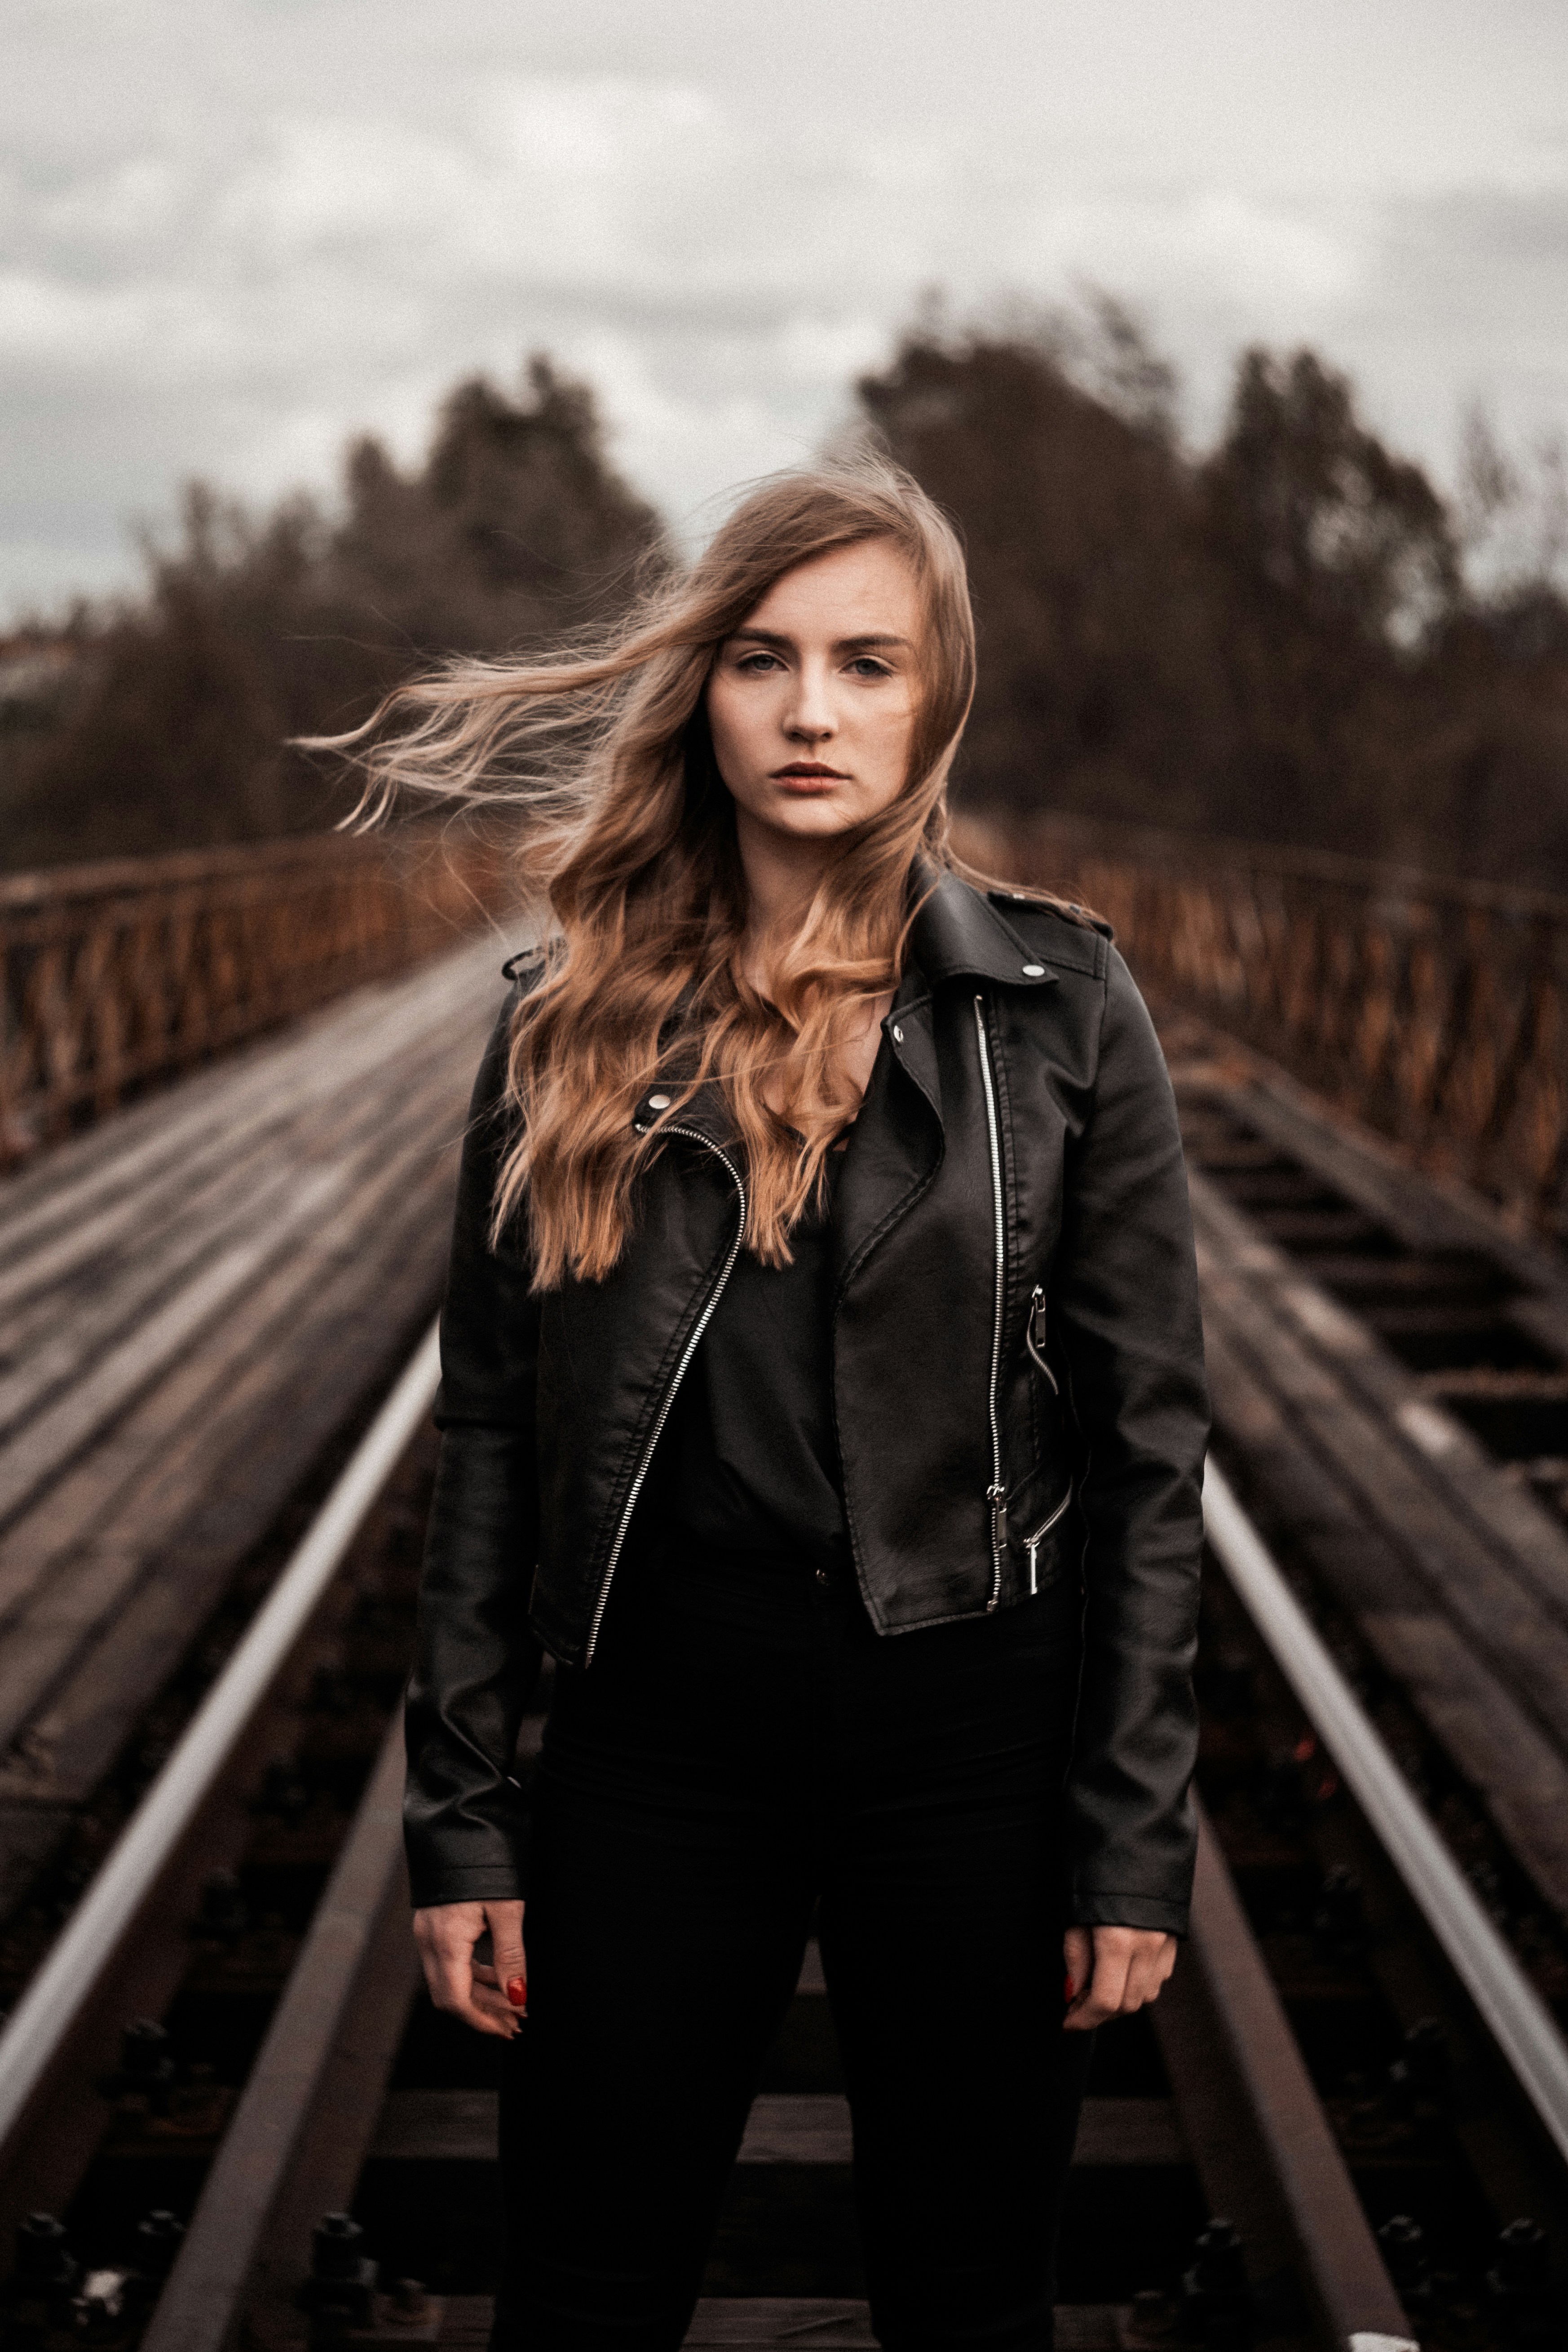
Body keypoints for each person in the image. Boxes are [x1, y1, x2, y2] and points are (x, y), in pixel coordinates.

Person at [339, 463, 1209, 2352]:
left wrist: (1132, 1829)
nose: (813, 711)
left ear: (934, 700)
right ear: (704, 691)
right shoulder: (568, 1018)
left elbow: (1153, 1447)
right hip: (663, 1721)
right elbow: (488, 1429)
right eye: (764, 659)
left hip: (973, 1723)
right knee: (584, 2283)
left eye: (867, 663)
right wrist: (466, 1817)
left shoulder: (1065, 1011)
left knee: (969, 2292)